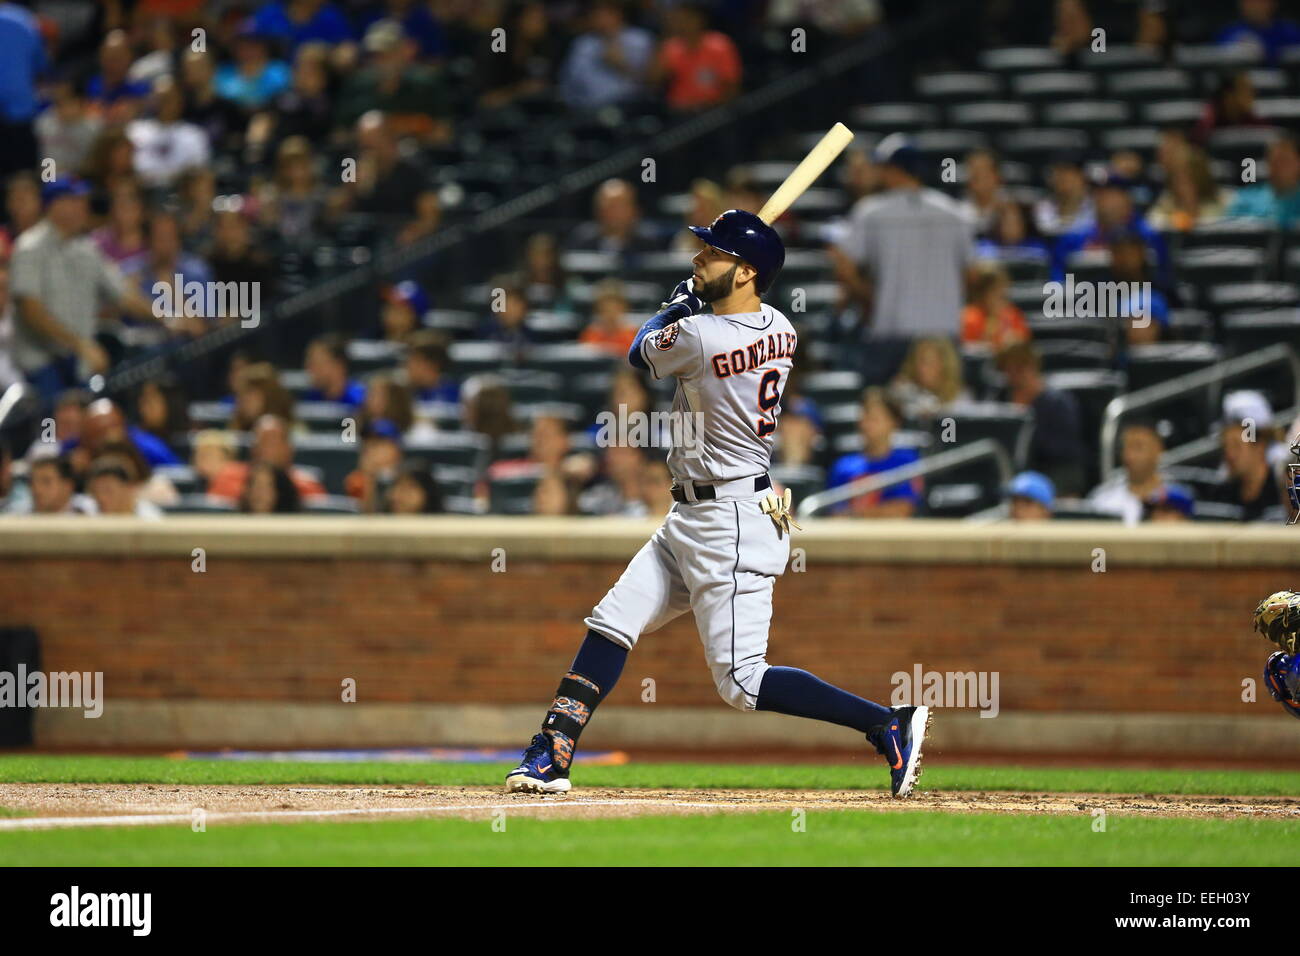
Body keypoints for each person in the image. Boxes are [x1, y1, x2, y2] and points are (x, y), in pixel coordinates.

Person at [505, 208, 931, 799]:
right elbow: (694, 334)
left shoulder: (703, 336)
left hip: (729, 521)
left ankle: (886, 723)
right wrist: (699, 295)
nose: (698, 259)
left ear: (747, 272)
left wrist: (676, 303)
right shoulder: (780, 325)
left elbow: (638, 351)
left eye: (713, 254)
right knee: (612, 622)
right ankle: (552, 754)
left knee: (742, 682)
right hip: (697, 515)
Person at [835, 134, 975, 384]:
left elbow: (843, 265)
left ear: (893, 170)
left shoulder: (871, 212)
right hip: (943, 334)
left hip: (892, 333)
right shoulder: (956, 213)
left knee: (885, 413)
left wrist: (869, 296)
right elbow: (972, 274)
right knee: (944, 411)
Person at [9, 178, 159, 403]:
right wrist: (79, 344)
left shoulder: (87, 249)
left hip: (78, 364)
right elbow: (31, 310)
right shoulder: (29, 248)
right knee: (53, 431)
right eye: (76, 201)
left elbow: (124, 295)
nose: (84, 207)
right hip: (40, 367)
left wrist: (168, 317)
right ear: (56, 205)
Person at [997, 342, 1086, 496]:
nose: (1016, 376)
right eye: (1009, 370)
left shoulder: (1058, 404)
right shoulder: (999, 398)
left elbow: (1066, 455)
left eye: (1021, 368)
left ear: (1034, 367)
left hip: (1051, 472)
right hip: (1010, 470)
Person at [827, 387, 923, 518]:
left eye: (875, 419)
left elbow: (902, 510)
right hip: (851, 536)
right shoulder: (844, 465)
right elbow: (834, 514)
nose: (866, 425)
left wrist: (854, 515)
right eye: (864, 418)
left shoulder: (906, 462)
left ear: (894, 422)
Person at [557, 0, 655, 112]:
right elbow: (568, 82)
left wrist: (622, 66)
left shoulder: (641, 40)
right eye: (596, 15)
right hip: (589, 110)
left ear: (618, 14)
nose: (600, 20)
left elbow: (651, 85)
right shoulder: (583, 44)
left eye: (605, 14)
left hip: (631, 108)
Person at [650, 2, 741, 113]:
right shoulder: (671, 47)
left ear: (700, 20)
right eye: (679, 18)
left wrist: (718, 110)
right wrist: (665, 39)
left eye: (688, 18)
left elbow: (732, 86)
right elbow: (653, 81)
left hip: (712, 112)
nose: (682, 23)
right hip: (679, 112)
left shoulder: (720, 45)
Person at [1087, 420, 1166, 525]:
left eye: (1138, 447)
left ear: (1158, 450)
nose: (1130, 455)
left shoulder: (1179, 499)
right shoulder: (1102, 499)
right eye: (1126, 447)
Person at [0, 0, 46, 180]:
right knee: (23, 176)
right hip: (21, 117)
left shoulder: (25, 20)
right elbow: (41, 68)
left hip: (20, 115)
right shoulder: (26, 20)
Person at [1226, 134, 1300, 229]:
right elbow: (1231, 233)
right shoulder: (1246, 199)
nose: (1279, 167)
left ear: (1298, 163)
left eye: (1285, 161)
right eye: (1275, 161)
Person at [302, 334, 366, 406]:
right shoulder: (311, 399)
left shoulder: (361, 400)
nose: (309, 369)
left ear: (338, 365)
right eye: (309, 363)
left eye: (317, 364)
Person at [28, 455, 94, 514]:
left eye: (46, 481)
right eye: (33, 482)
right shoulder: (24, 513)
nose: (37, 489)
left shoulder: (89, 511)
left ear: (67, 486)